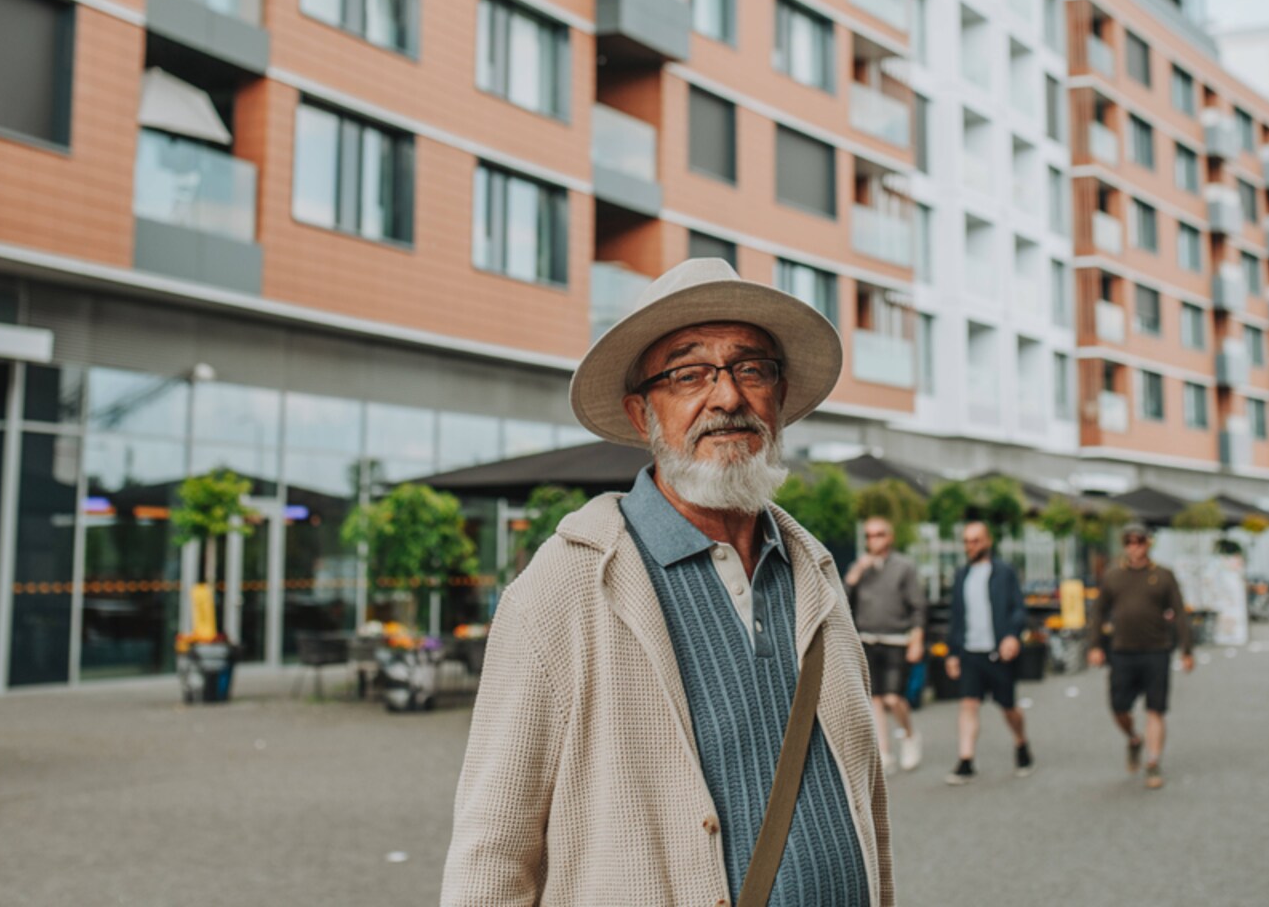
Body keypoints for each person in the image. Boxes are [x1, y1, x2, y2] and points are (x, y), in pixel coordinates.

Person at [442, 259, 890, 907]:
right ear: (641, 411)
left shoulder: (816, 574)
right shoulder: (563, 592)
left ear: (781, 398)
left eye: (751, 368)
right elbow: (489, 863)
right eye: (688, 374)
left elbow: (866, 810)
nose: (729, 398)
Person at [1086, 524, 1194, 791]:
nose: (1135, 547)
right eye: (1130, 542)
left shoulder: (1163, 575)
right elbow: (1099, 612)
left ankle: (1153, 762)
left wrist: (1187, 649)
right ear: (1124, 545)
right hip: (1122, 651)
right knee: (1119, 707)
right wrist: (1095, 645)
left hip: (1157, 650)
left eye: (1140, 542)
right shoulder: (1113, 576)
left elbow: (1180, 612)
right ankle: (1134, 739)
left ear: (1148, 544)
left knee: (1155, 708)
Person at [942, 520, 1032, 785]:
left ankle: (1021, 743)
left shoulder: (1004, 572)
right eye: (967, 541)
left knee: (1008, 707)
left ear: (988, 541)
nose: (971, 546)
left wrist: (1012, 637)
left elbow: (1019, 609)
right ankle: (966, 760)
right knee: (968, 704)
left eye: (976, 540)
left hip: (998, 652)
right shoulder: (961, 575)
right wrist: (952, 652)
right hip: (971, 651)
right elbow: (956, 616)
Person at [845, 515, 927, 773]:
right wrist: (855, 574)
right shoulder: (859, 568)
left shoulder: (904, 567)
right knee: (874, 700)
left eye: (879, 534)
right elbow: (842, 602)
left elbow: (918, 606)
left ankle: (909, 736)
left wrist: (918, 639)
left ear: (889, 537)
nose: (874, 540)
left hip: (896, 640)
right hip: (866, 639)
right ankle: (884, 751)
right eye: (869, 535)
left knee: (893, 698)